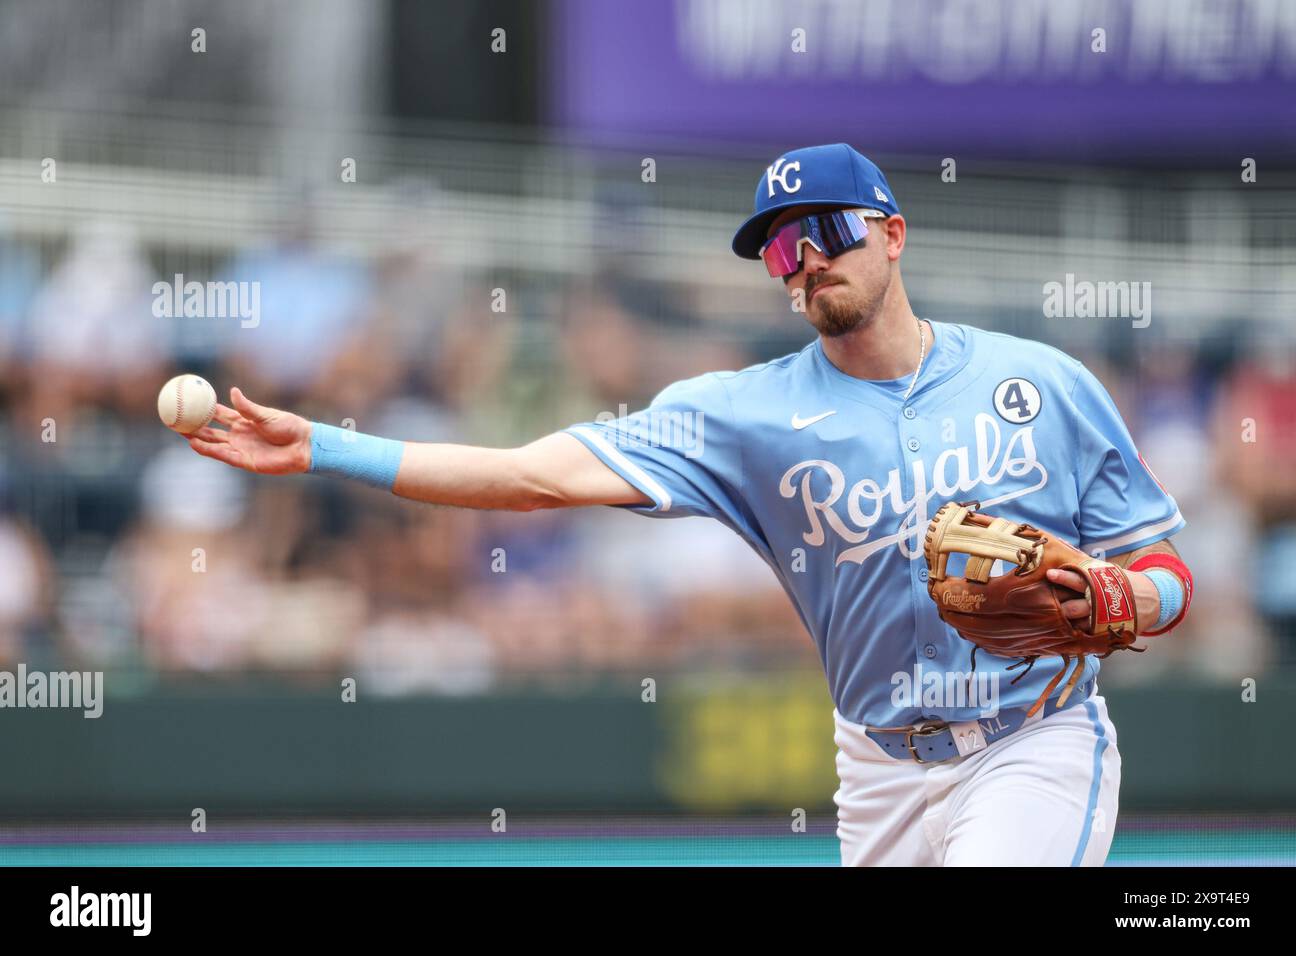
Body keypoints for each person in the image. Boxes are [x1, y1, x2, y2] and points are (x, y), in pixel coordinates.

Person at [183, 143, 1193, 866]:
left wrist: (1124, 602)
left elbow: (1165, 569)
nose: (806, 261)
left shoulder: (1042, 383)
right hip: (878, 762)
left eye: (827, 232)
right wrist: (324, 444)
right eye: (781, 251)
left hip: (1032, 738)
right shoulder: (745, 412)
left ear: (892, 234)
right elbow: (536, 474)